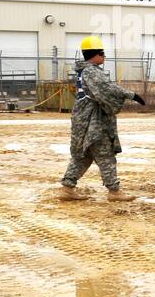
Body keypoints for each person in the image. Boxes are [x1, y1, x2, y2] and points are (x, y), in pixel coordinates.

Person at [58, 35, 144, 201]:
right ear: (95, 54)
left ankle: (67, 187)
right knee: (105, 154)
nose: (104, 56)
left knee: (85, 155)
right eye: (102, 53)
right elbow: (106, 90)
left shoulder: (85, 71)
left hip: (84, 119)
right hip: (93, 121)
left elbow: (105, 88)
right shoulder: (91, 71)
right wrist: (131, 95)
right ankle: (114, 191)